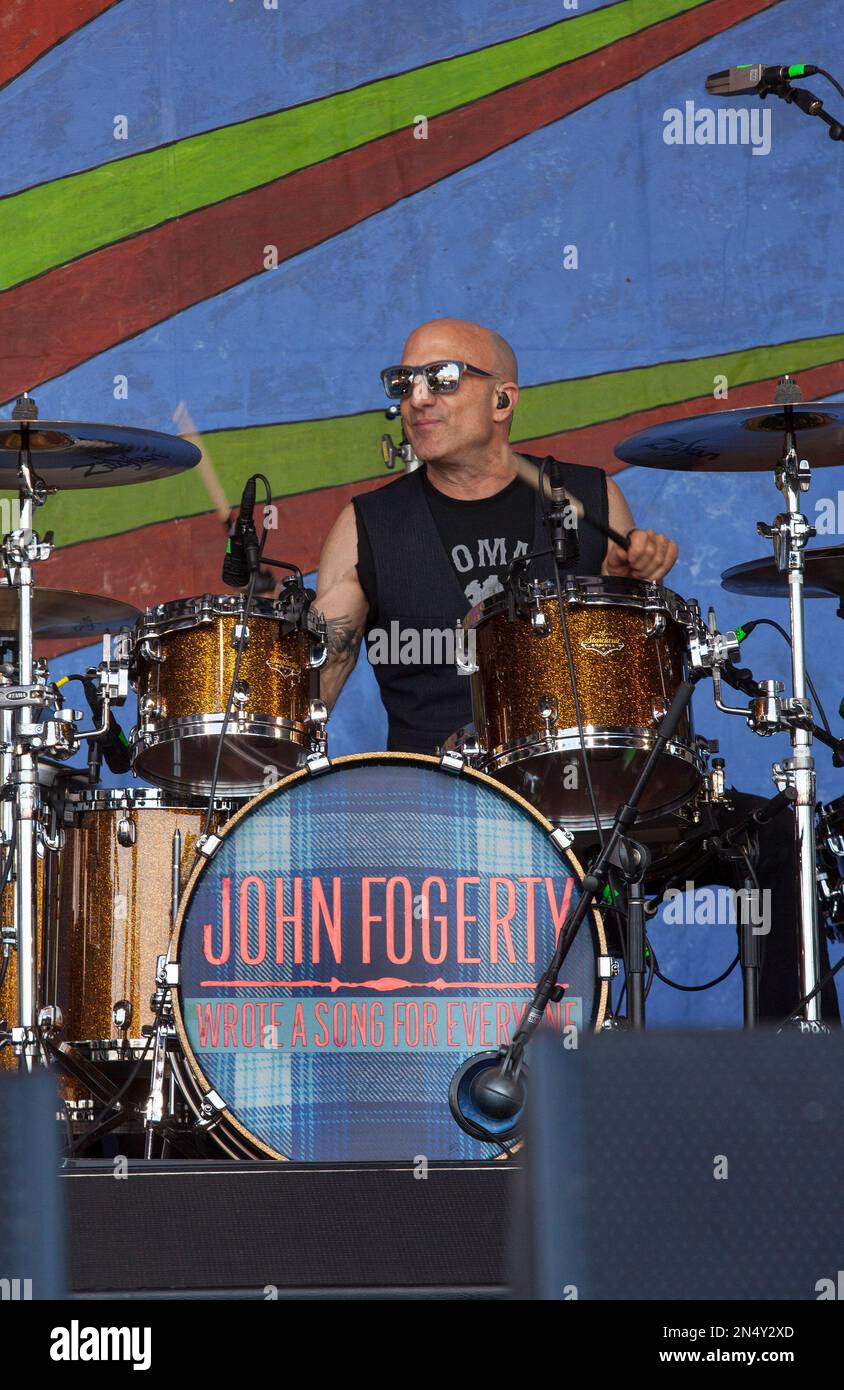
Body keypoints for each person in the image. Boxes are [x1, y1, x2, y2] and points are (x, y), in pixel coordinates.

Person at [315, 317, 839, 1025]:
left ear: (503, 400)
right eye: (403, 382)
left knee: (773, 833)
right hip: (443, 808)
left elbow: (643, 672)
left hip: (598, 800)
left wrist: (630, 584)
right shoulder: (367, 523)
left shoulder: (586, 502)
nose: (418, 398)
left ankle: (793, 1078)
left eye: (442, 379)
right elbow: (310, 689)